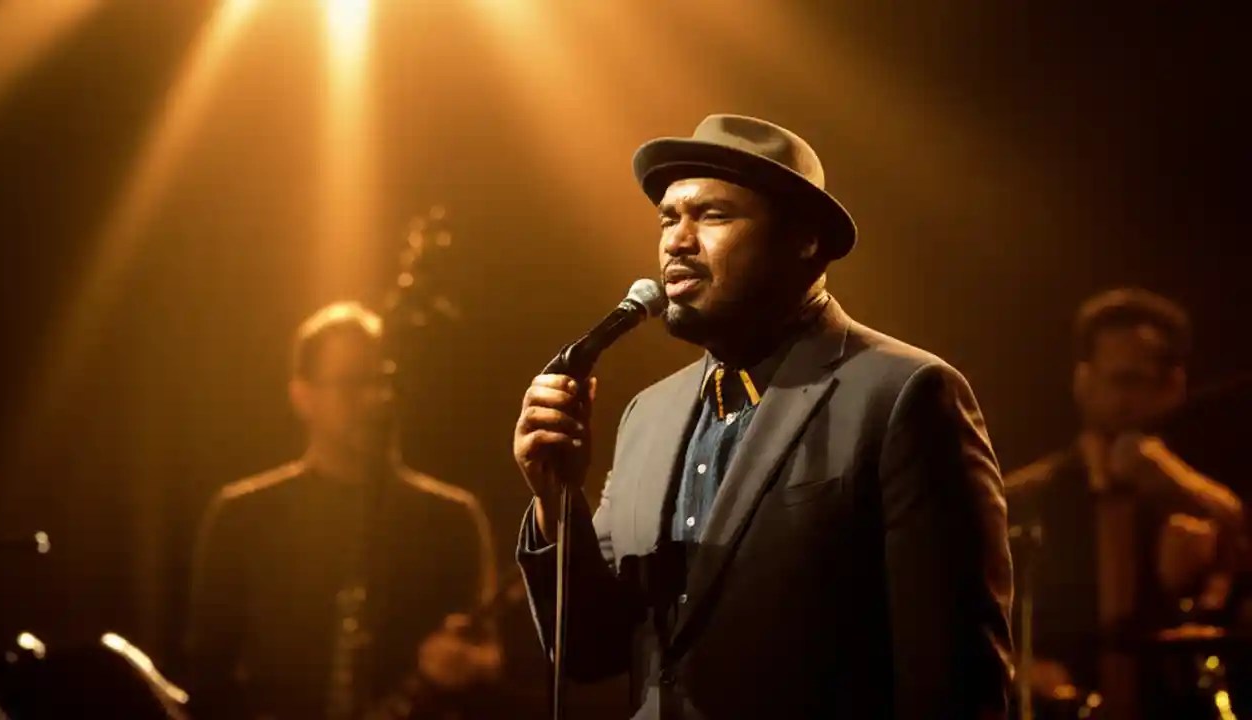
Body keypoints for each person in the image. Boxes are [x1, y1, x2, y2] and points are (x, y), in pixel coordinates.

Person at [511, 114, 1014, 719]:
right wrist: (556, 500)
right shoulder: (648, 414)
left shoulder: (904, 394)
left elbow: (956, 681)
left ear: (804, 239)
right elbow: (590, 651)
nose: (677, 241)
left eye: (713, 215)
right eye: (668, 218)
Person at [186, 302, 502, 720]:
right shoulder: (242, 517)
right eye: (352, 383)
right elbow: (207, 680)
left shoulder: (452, 519)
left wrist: (471, 663)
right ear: (303, 396)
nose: (375, 399)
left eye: (382, 380)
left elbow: (489, 661)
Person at [1005, 288, 1244, 719]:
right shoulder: (1025, 498)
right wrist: (1028, 673)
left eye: (1137, 381)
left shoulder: (1197, 493)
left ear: (1172, 386)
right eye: (1112, 379)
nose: (1122, 399)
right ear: (1082, 380)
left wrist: (1172, 481)